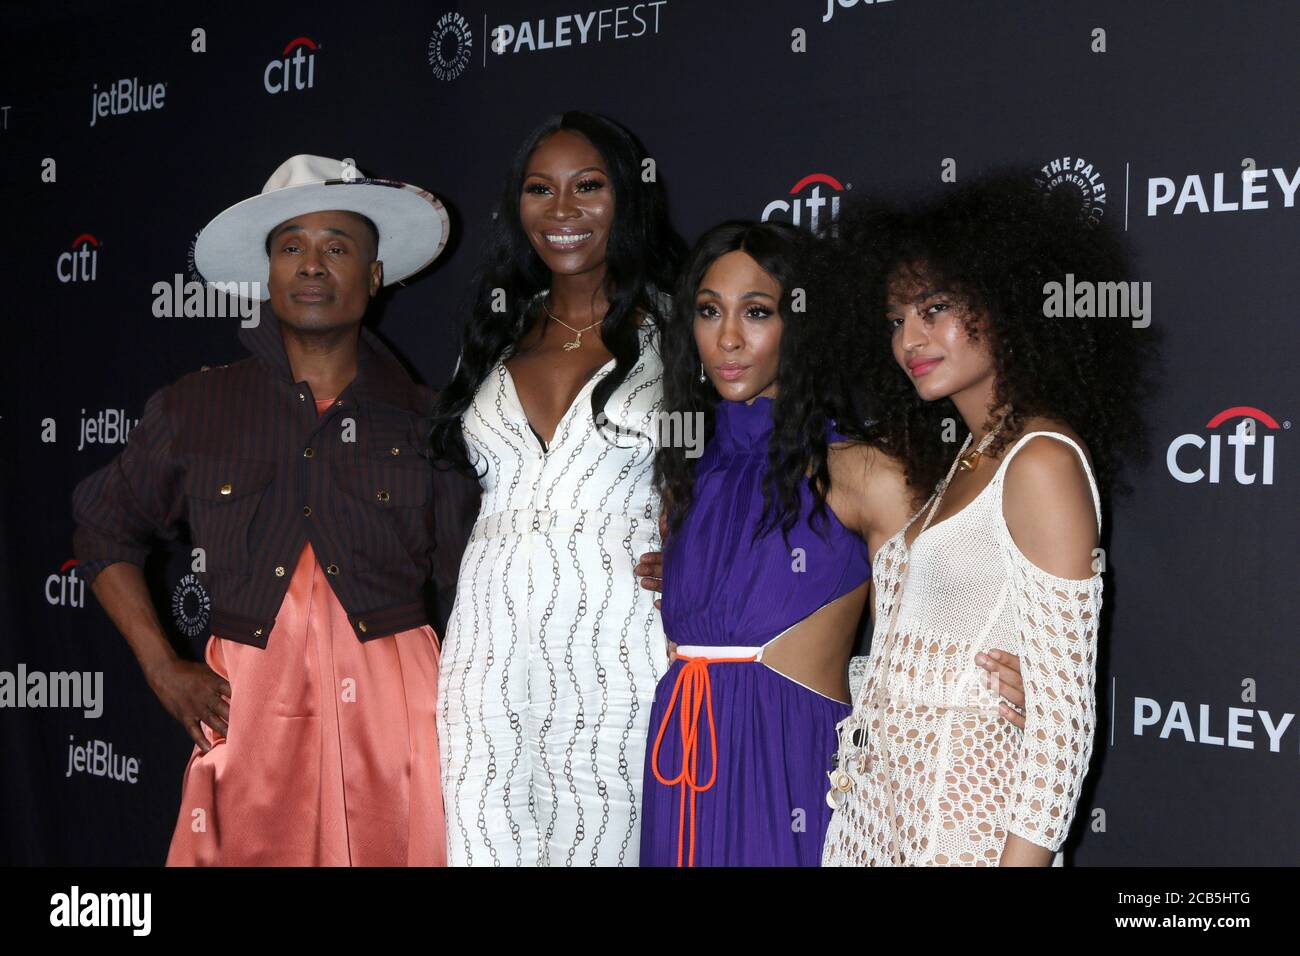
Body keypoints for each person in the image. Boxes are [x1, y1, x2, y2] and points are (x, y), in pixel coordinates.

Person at [72, 154, 463, 865]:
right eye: (292, 247)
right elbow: (104, 528)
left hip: (400, 720)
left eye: (337, 247)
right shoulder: (197, 405)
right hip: (249, 715)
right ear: (269, 273)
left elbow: (478, 578)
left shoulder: (426, 420)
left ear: (373, 277)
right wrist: (164, 668)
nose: (313, 265)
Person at [637, 221, 1030, 867]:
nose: (729, 338)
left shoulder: (863, 472)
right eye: (709, 312)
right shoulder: (685, 473)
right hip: (678, 761)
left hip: (791, 766)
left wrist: (1024, 673)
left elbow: (939, 637)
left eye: (757, 313)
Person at [820, 171, 1153, 866]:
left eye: (934, 307)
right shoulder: (963, 458)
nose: (910, 337)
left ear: (1003, 306)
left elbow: (1062, 725)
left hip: (965, 828)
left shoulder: (1041, 463)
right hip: (883, 816)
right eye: (895, 320)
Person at [428, 111, 685, 866]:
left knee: (610, 840)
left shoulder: (680, 330)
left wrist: (702, 554)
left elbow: (735, 464)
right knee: (482, 839)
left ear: (630, 198)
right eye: (540, 189)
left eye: (589, 186)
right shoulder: (497, 330)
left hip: (620, 640)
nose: (563, 211)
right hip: (486, 646)